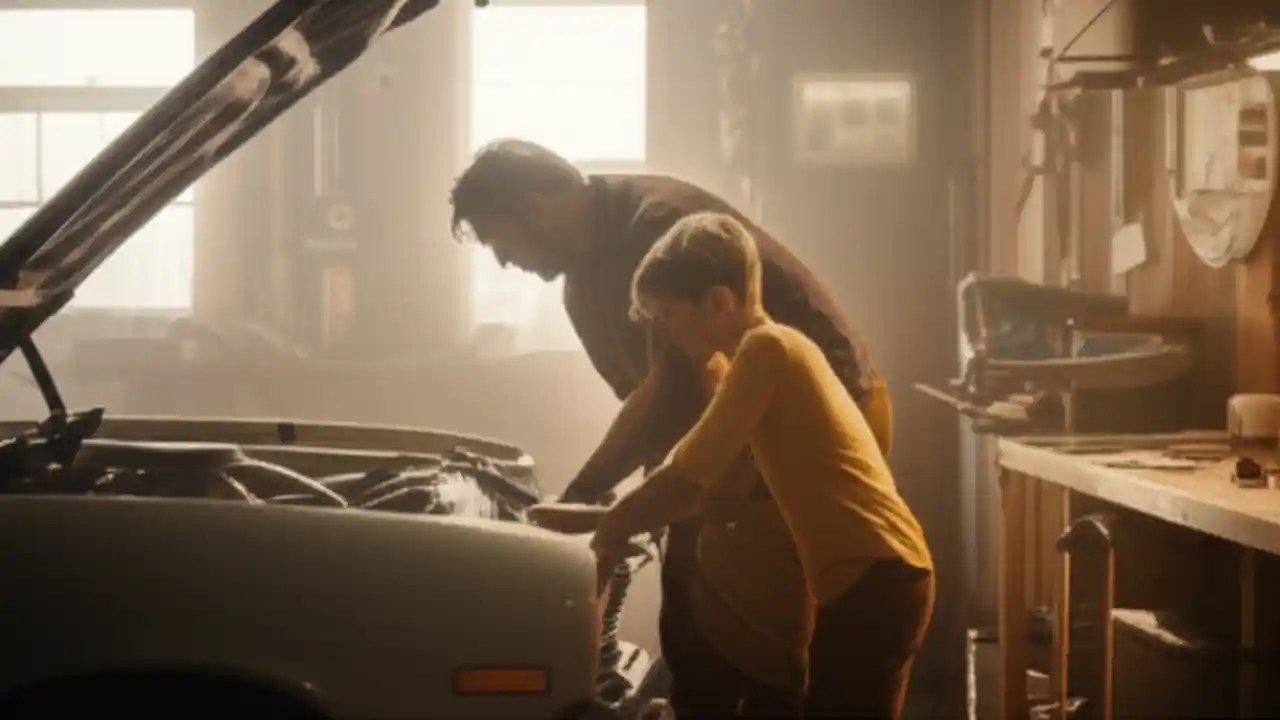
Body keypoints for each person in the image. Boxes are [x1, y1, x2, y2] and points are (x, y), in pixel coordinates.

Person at [449, 139, 891, 714]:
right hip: (735, 436)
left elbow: (677, 393)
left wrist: (587, 499)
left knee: (758, 644)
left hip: (818, 428)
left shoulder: (660, 230)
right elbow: (648, 403)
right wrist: (604, 504)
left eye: (497, 240)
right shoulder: (582, 284)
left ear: (536, 207)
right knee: (696, 619)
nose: (503, 262)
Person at [590, 211, 935, 719]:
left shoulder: (766, 351)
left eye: (668, 315)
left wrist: (609, 533)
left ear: (719, 302)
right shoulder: (766, 355)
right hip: (877, 580)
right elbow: (713, 487)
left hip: (877, 582)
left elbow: (687, 478)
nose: (666, 333)